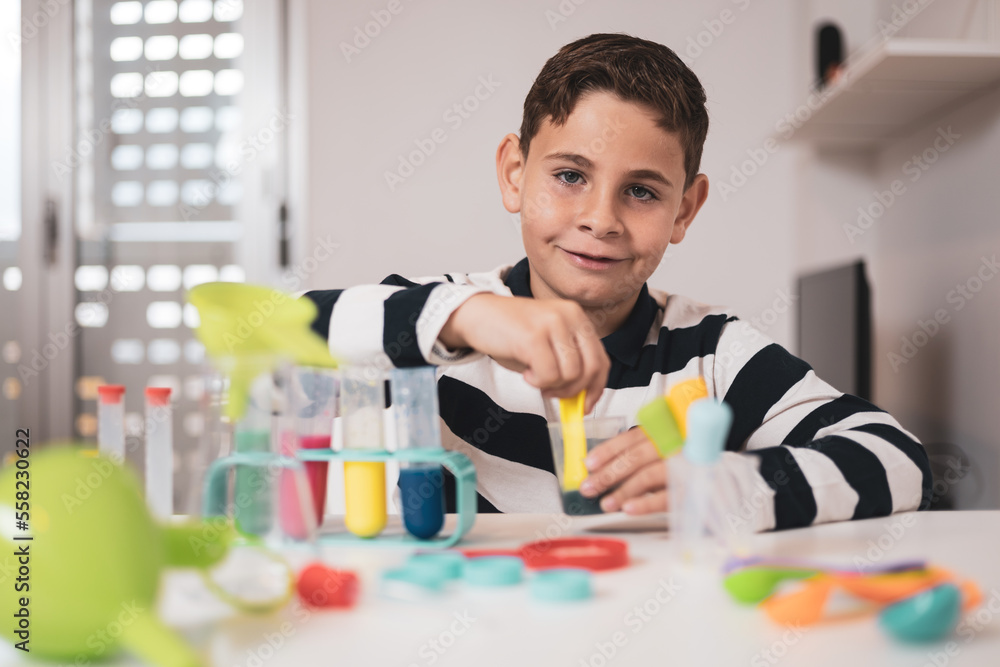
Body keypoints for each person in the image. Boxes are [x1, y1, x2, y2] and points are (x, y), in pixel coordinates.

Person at [304, 33, 931, 532]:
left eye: (641, 191)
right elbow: (285, 330)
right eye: (570, 176)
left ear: (685, 209)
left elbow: (901, 460)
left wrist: (722, 482)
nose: (600, 220)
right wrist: (467, 317)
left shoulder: (712, 356)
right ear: (515, 174)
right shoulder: (433, 323)